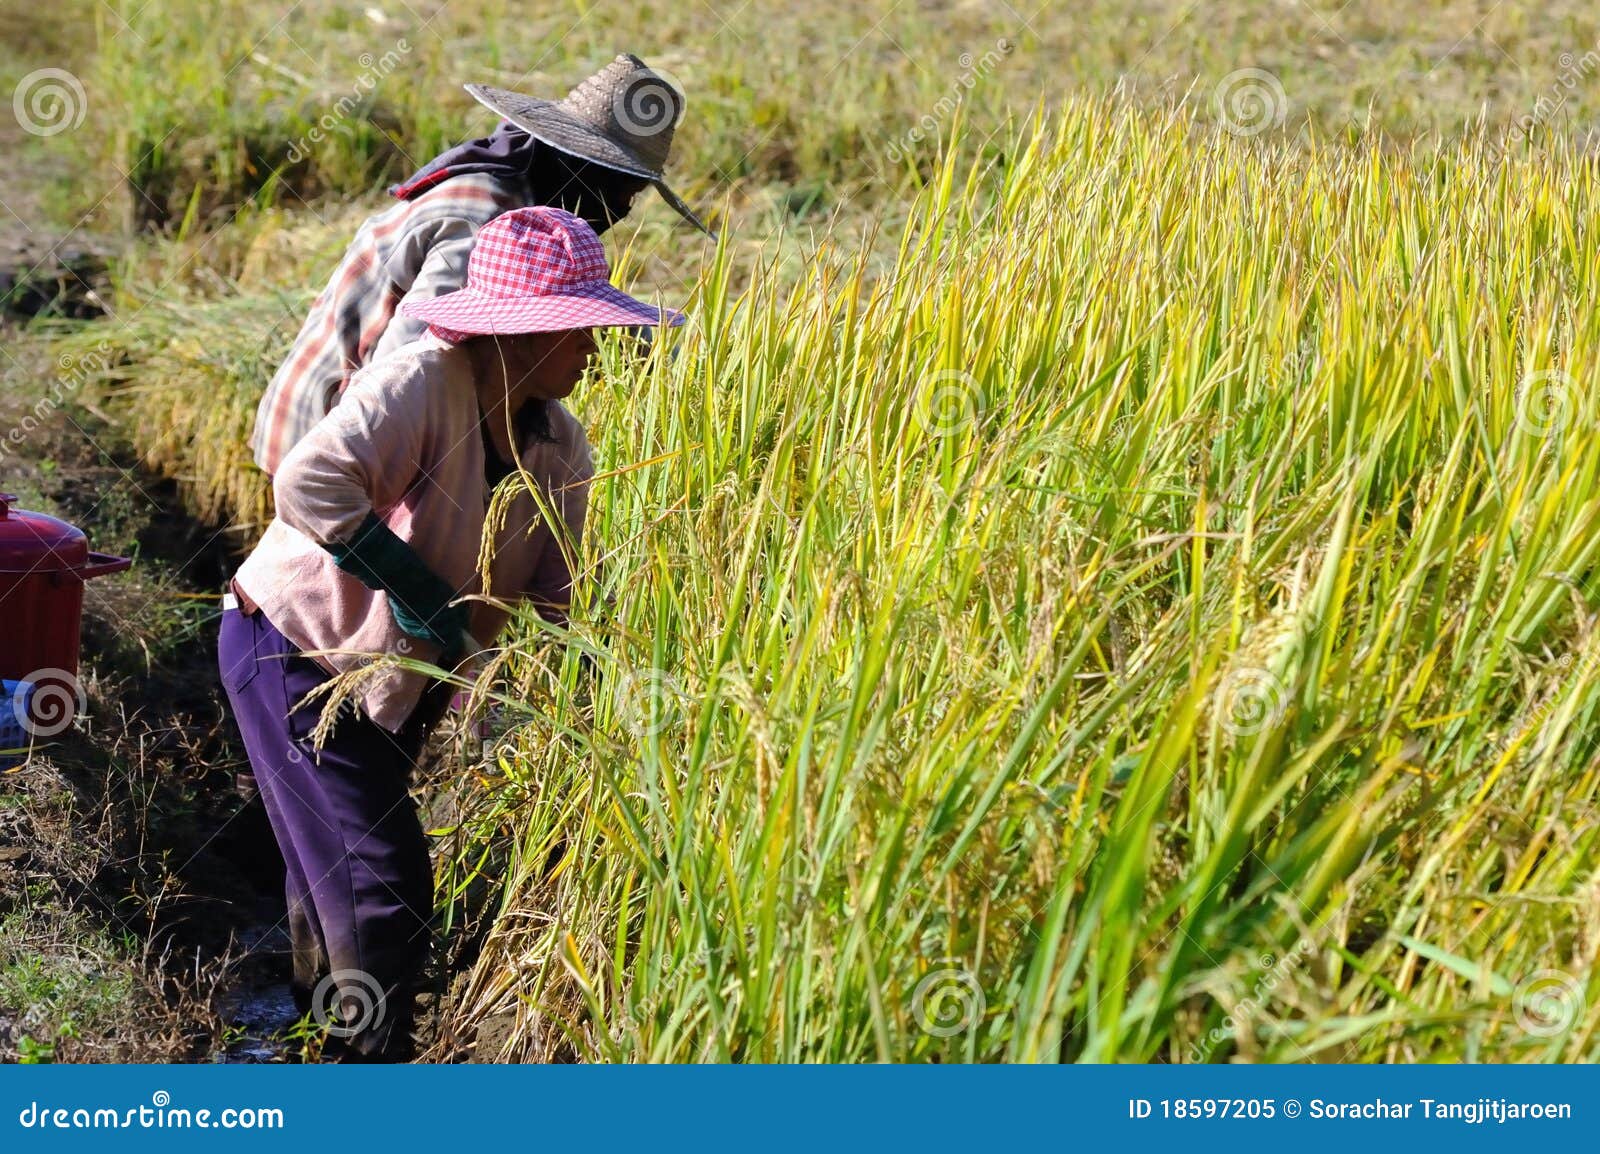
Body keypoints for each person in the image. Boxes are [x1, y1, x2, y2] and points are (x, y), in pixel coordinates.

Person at [217, 206, 685, 1061]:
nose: (594, 349)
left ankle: (314, 1043)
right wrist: (407, 582)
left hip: (403, 676)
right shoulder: (422, 383)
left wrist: (590, 694)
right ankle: (376, 1071)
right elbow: (309, 481)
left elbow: (559, 593)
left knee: (331, 873)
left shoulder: (560, 446)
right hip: (296, 648)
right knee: (386, 883)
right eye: (580, 330)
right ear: (519, 335)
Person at [249, 52, 712, 479]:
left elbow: (571, 303)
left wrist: (684, 364)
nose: (621, 212)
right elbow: (408, 366)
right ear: (583, 172)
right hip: (332, 436)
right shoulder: (489, 221)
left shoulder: (529, 207)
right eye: (621, 194)